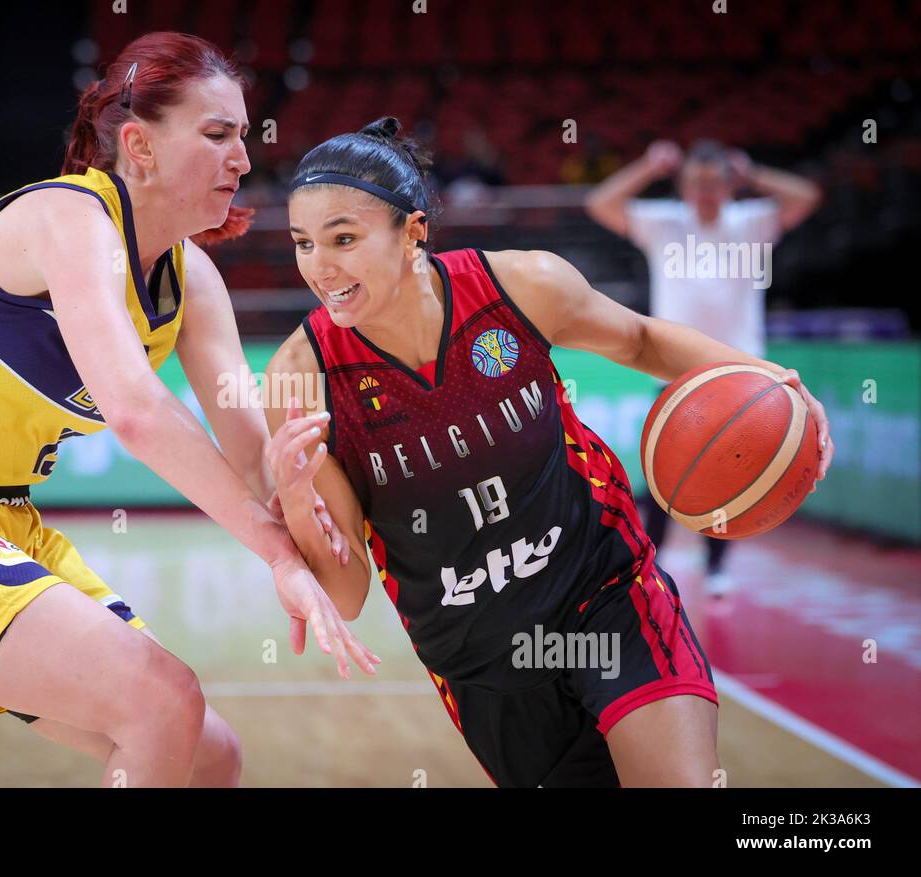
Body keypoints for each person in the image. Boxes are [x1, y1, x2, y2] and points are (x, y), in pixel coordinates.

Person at [0, 32, 376, 789]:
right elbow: (137, 411)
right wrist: (274, 550)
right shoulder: (67, 219)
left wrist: (302, 501)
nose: (243, 157)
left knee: (211, 754)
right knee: (162, 699)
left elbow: (251, 451)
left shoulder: (192, 281)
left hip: (2, 520)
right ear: (138, 146)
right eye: (217, 135)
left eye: (242, 135)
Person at [264, 117, 833, 787]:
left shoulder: (518, 288)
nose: (320, 267)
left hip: (603, 590)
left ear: (413, 231)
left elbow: (644, 340)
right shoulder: (303, 377)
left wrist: (769, 382)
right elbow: (349, 590)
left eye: (344, 238)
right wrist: (299, 500)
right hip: (483, 662)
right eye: (304, 243)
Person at [584, 139, 822, 594]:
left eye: (715, 182)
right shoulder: (664, 223)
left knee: (736, 470)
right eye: (697, 181)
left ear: (729, 184)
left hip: (742, 371)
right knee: (664, 472)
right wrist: (647, 165)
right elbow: (599, 203)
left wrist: (752, 172)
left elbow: (806, 197)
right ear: (684, 184)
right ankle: (649, 564)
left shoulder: (753, 220)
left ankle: (717, 566)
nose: (706, 191)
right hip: (672, 368)